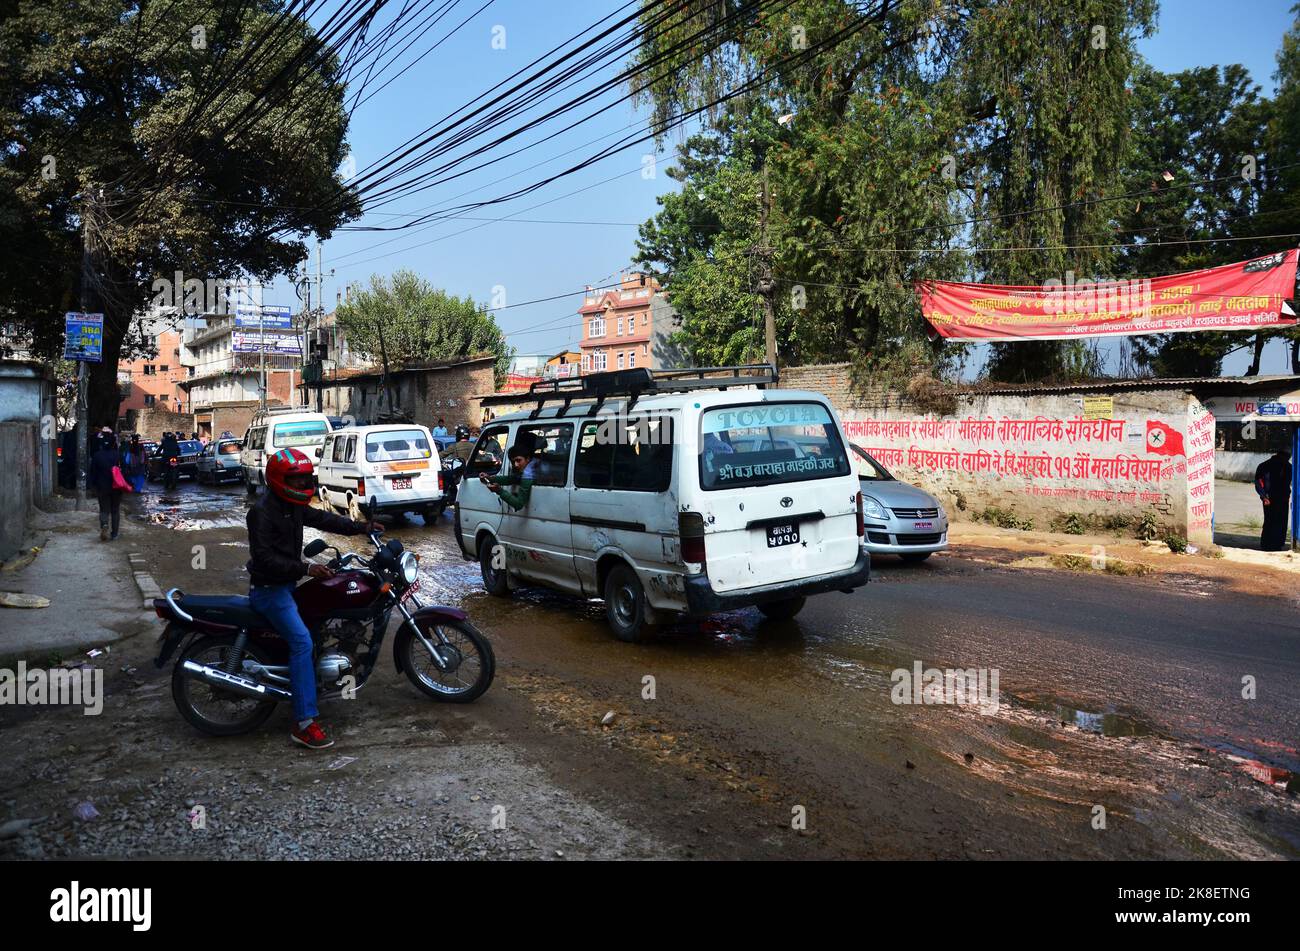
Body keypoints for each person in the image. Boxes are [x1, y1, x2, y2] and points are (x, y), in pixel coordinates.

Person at [246, 448, 382, 750]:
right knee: (302, 643)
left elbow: (323, 519)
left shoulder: (291, 506)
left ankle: (311, 681)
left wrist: (361, 527)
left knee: (319, 625)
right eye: (295, 481)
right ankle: (304, 723)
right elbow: (264, 559)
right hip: (270, 591)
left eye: (304, 480)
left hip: (287, 586)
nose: (301, 486)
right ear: (279, 480)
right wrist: (307, 568)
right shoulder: (262, 511)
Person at [480, 441, 537, 512]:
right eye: (513, 462)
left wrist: (499, 491)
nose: (516, 465)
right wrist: (490, 478)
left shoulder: (528, 474)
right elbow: (513, 479)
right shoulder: (533, 463)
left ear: (528, 458)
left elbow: (519, 504)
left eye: (518, 460)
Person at [88, 429, 124, 541]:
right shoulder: (118, 455)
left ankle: (104, 525)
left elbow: (92, 472)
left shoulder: (97, 456)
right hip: (116, 487)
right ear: (114, 443)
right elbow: (125, 471)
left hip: (102, 487)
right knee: (115, 510)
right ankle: (115, 534)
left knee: (104, 509)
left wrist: (92, 486)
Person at [1255, 448, 1292, 551]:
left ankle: (1274, 544)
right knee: (1274, 521)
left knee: (1275, 521)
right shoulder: (1265, 466)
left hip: (1279, 498)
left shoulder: (1288, 467)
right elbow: (1258, 482)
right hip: (1271, 498)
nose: (1287, 459)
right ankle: (1270, 544)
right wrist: (1264, 496)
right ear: (1281, 456)